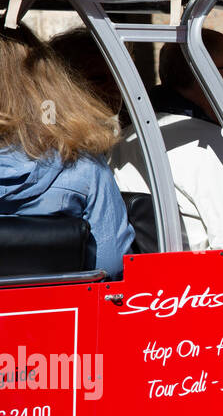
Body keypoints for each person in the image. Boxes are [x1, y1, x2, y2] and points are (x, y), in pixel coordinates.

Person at [112, 28, 223, 251]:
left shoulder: (128, 137)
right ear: (209, 76)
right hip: (204, 273)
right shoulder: (209, 145)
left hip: (160, 271)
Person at [0, 24, 133, 278]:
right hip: (59, 302)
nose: (114, 89)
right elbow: (112, 266)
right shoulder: (86, 168)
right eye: (98, 79)